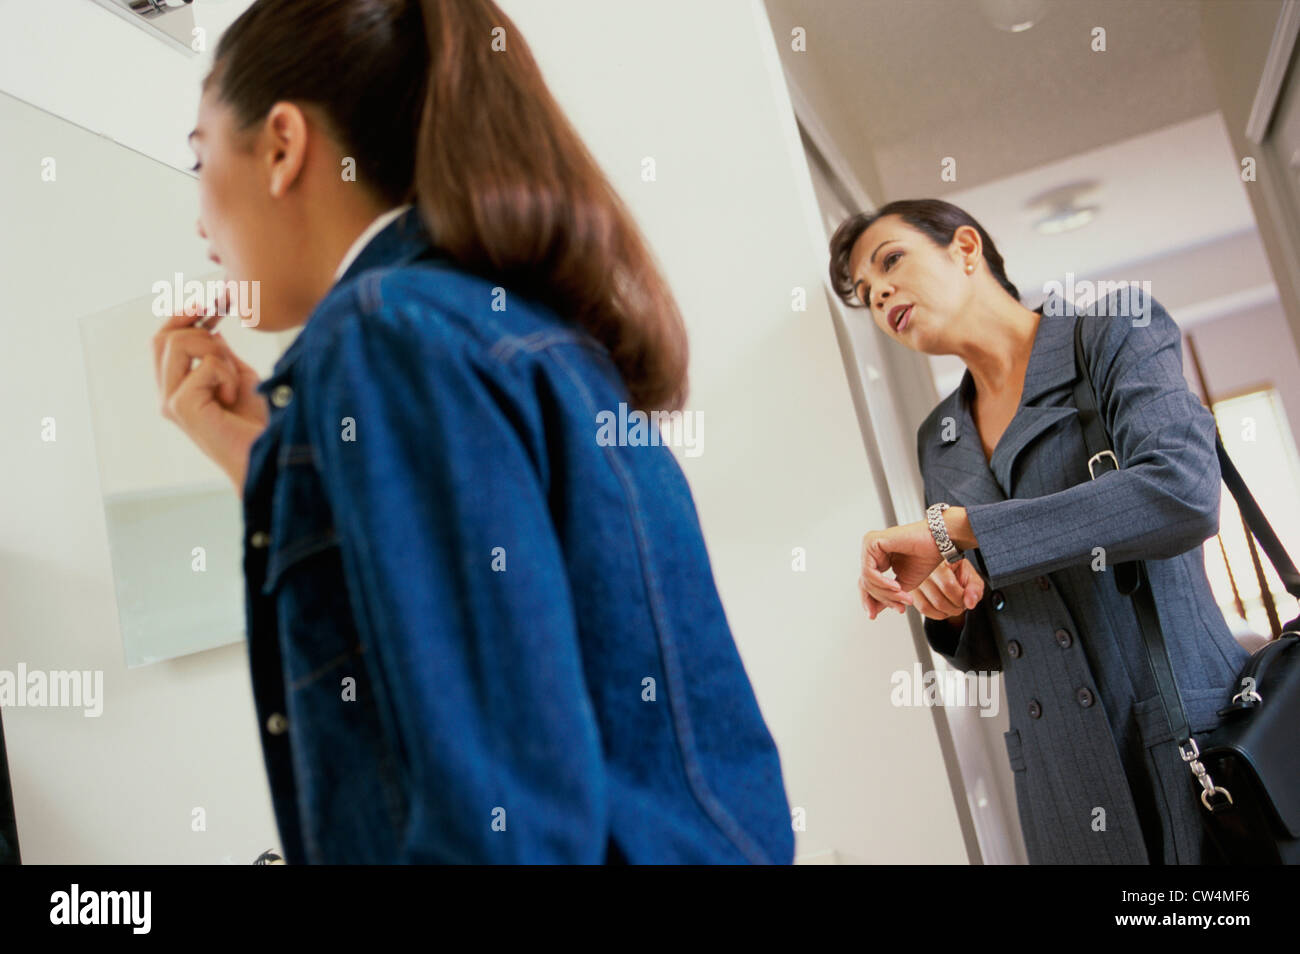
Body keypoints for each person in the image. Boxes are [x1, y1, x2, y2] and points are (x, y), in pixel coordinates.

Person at [152, 0, 793, 864]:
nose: (199, 220)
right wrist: (280, 467)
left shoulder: (383, 333)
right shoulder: (515, 329)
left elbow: (498, 822)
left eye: (198, 158)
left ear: (280, 146)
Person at [831, 198, 1250, 864]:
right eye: (866, 295)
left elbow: (1183, 493)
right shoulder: (939, 440)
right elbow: (999, 642)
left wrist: (966, 528)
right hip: (1059, 788)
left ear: (965, 249)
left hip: (1189, 743)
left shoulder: (1112, 332)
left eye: (891, 262)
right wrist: (947, 603)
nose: (880, 295)